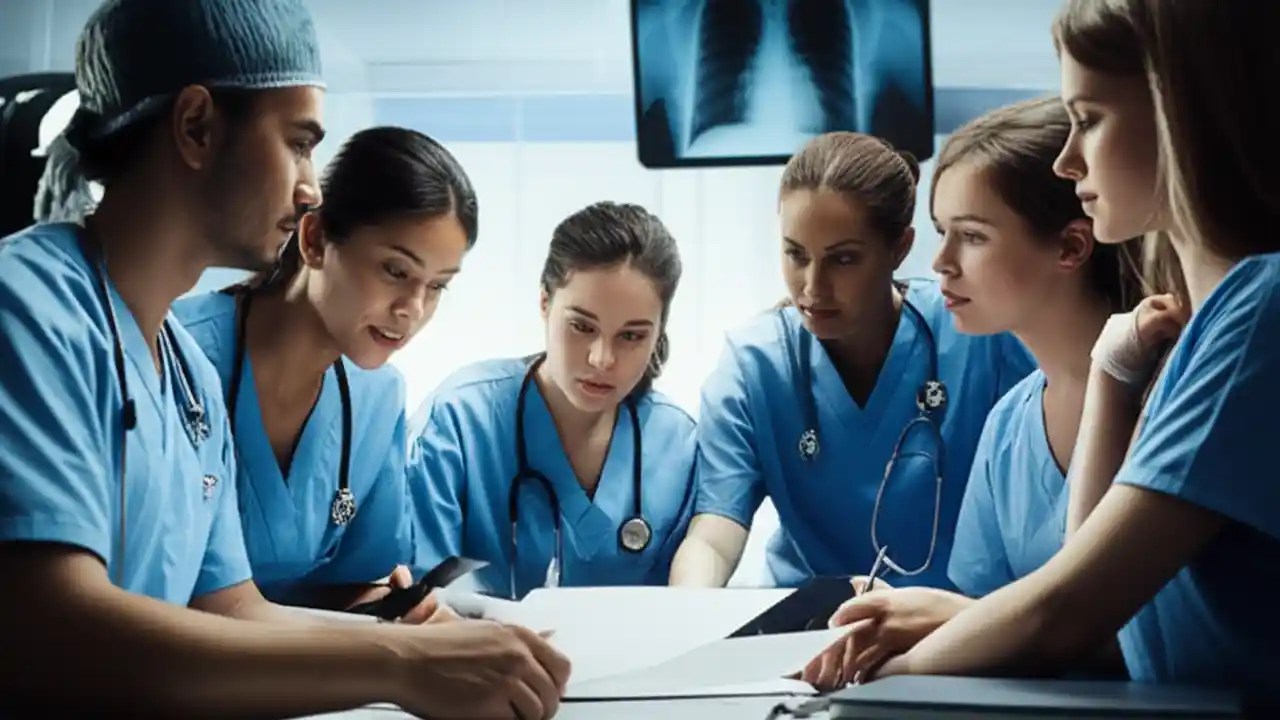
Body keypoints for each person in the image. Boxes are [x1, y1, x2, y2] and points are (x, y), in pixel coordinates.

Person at [0, 1, 567, 717]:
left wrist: (449, 649)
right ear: (197, 127)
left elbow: (235, 611)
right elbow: (45, 626)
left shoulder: (188, 379)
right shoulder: (29, 304)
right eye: (299, 143)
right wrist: (398, 663)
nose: (310, 188)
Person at [864, 0, 1280, 710]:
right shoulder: (1207, 332)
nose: (1068, 158)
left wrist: (859, 686)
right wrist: (1114, 378)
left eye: (1088, 118)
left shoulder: (1261, 310)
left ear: (1182, 111)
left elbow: (1068, 613)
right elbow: (1100, 601)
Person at [799, 95, 1151, 689]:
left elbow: (1118, 636)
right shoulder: (1010, 423)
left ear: (1070, 247)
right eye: (941, 233)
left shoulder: (1164, 394)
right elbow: (989, 620)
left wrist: (945, 619)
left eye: (973, 237)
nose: (940, 263)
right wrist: (906, 615)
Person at [670, 132, 1037, 591]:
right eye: (795, 254)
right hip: (805, 634)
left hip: (951, 629)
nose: (812, 286)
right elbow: (714, 536)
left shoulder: (978, 338)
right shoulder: (754, 367)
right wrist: (689, 612)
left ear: (900, 248)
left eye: (843, 259)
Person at [172, 125, 477, 615]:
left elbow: (340, 588)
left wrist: (395, 607)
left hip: (307, 679)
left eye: (437, 286)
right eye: (396, 271)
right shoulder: (174, 350)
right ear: (314, 239)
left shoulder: (379, 396)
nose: (413, 309)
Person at [407, 201, 697, 600]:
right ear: (545, 303)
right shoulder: (460, 421)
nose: (601, 359)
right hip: (473, 660)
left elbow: (683, 609)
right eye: (581, 326)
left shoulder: (677, 445)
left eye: (631, 336)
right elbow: (419, 597)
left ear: (659, 330)